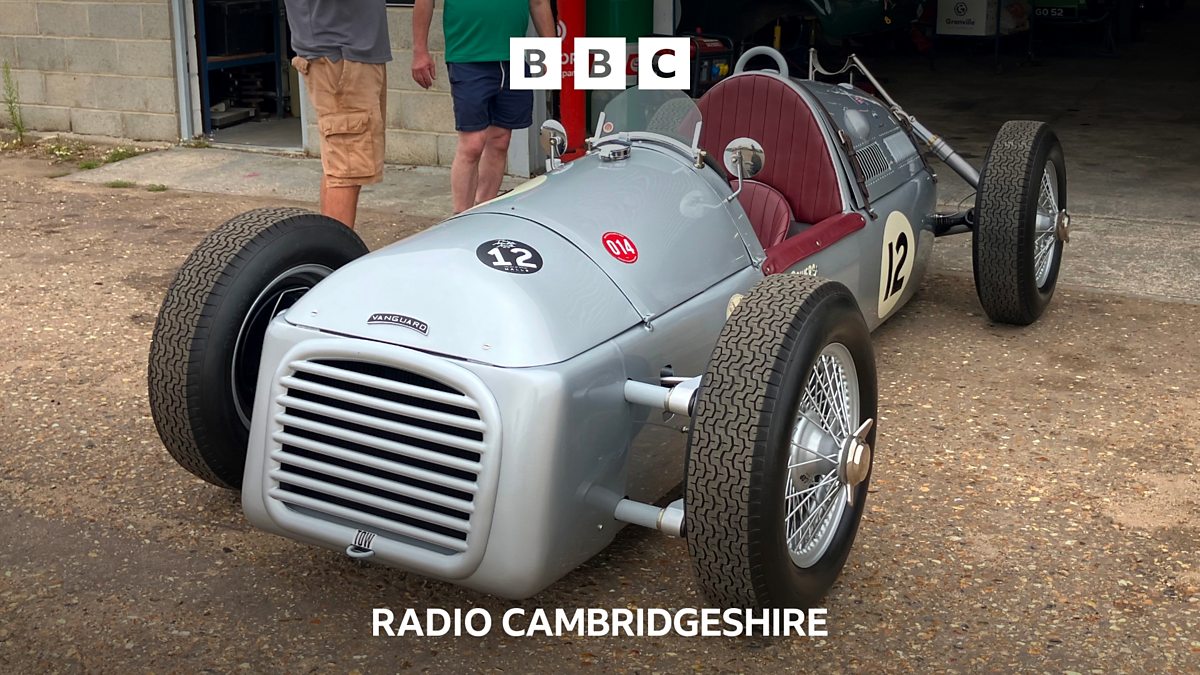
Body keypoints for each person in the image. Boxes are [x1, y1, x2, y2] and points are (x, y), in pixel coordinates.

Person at [411, 0, 556, 213]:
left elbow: (539, 3)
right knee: (472, 143)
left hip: (513, 56)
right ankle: (460, 218)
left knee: (500, 140)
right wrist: (419, 50)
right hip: (468, 56)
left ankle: (483, 213)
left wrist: (549, 51)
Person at [284, 0, 391, 229]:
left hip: (349, 52)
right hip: (340, 54)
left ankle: (329, 247)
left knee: (342, 165)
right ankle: (336, 261)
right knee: (346, 169)